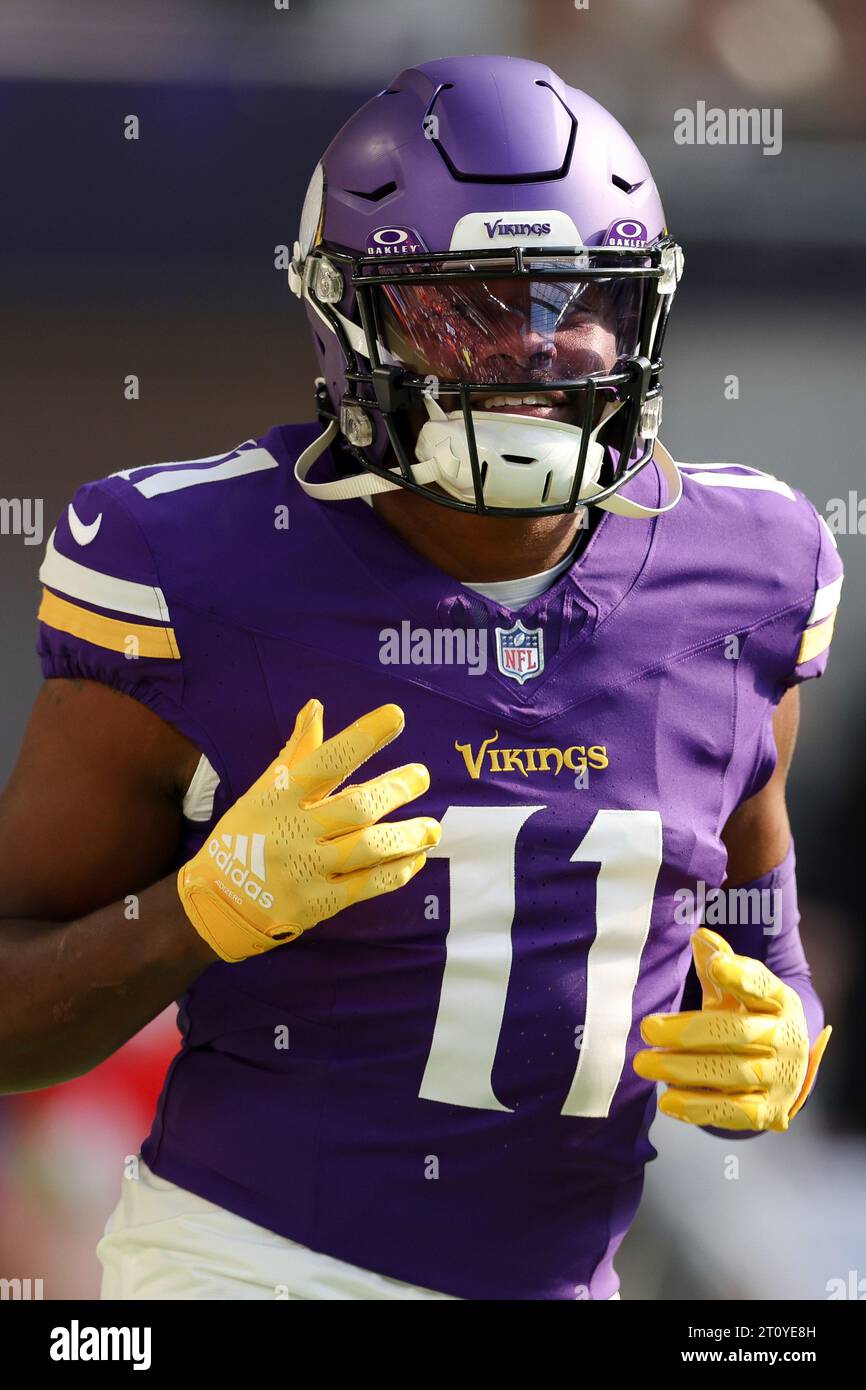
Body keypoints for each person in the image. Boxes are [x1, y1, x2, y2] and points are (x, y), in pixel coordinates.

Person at [0, 55, 840, 1301]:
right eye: (472, 307)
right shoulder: (191, 564)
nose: (532, 354)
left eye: (576, 302)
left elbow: (745, 942)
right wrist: (203, 907)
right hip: (252, 1266)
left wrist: (779, 1050)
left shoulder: (751, 568)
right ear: (349, 316)